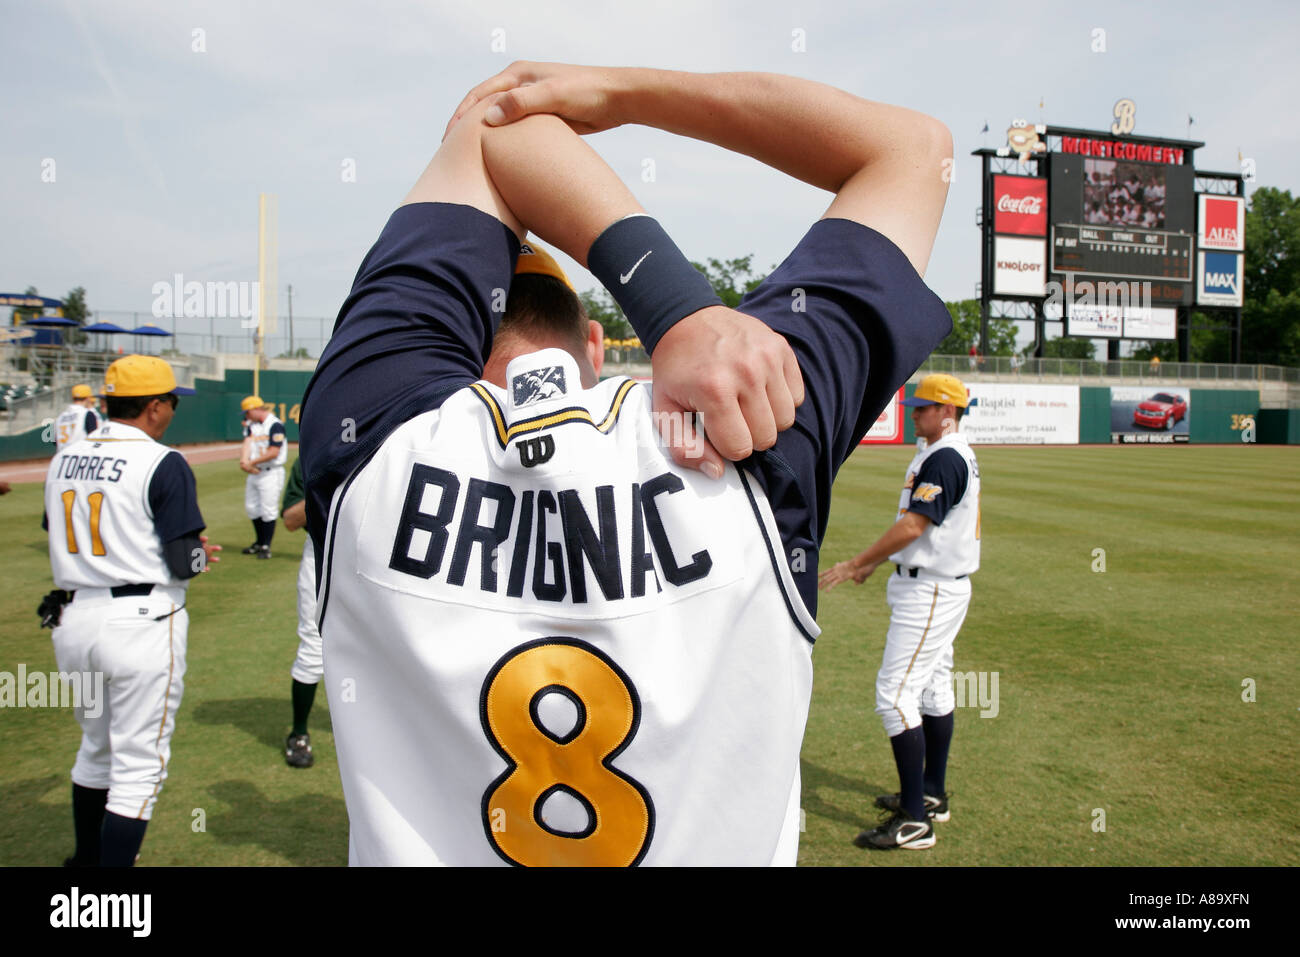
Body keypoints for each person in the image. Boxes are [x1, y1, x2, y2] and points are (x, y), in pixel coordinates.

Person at [298, 62, 953, 865]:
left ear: (458, 347)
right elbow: (913, 151)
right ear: (599, 344)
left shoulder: (372, 443)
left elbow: (486, 133)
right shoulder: (748, 430)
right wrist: (621, 109)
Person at [42, 355, 221, 866]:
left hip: (74, 619)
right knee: (138, 767)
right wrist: (196, 554)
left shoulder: (64, 458)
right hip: (140, 622)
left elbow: (56, 531)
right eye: (170, 402)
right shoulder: (162, 461)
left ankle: (82, 865)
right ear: (155, 406)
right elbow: (183, 563)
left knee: (95, 752)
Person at [818, 373, 980, 850]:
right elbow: (917, 529)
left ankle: (915, 822)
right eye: (916, 406)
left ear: (947, 412)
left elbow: (914, 525)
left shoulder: (947, 456)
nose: (916, 413)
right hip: (933, 584)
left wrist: (856, 562)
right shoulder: (940, 452)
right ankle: (931, 794)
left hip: (930, 590)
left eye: (925, 407)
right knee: (932, 688)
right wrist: (874, 564)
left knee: (894, 695)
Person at [279, 455, 320, 768]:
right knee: (314, 647)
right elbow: (292, 520)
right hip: (320, 556)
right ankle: (299, 732)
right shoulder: (316, 454)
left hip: (377, 559)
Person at [239, 395, 286, 558]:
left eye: (247, 412)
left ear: (255, 409)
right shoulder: (252, 426)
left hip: (271, 472)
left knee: (268, 509)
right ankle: (258, 542)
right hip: (255, 472)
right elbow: (247, 442)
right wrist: (244, 461)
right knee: (252, 508)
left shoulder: (275, 425)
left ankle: (266, 546)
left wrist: (251, 461)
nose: (246, 416)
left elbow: (274, 452)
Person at [54, 384, 100, 450]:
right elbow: (94, 439)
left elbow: (55, 441)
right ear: (88, 398)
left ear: (73, 398)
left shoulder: (60, 417)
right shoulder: (87, 414)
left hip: (62, 457)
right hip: (80, 457)